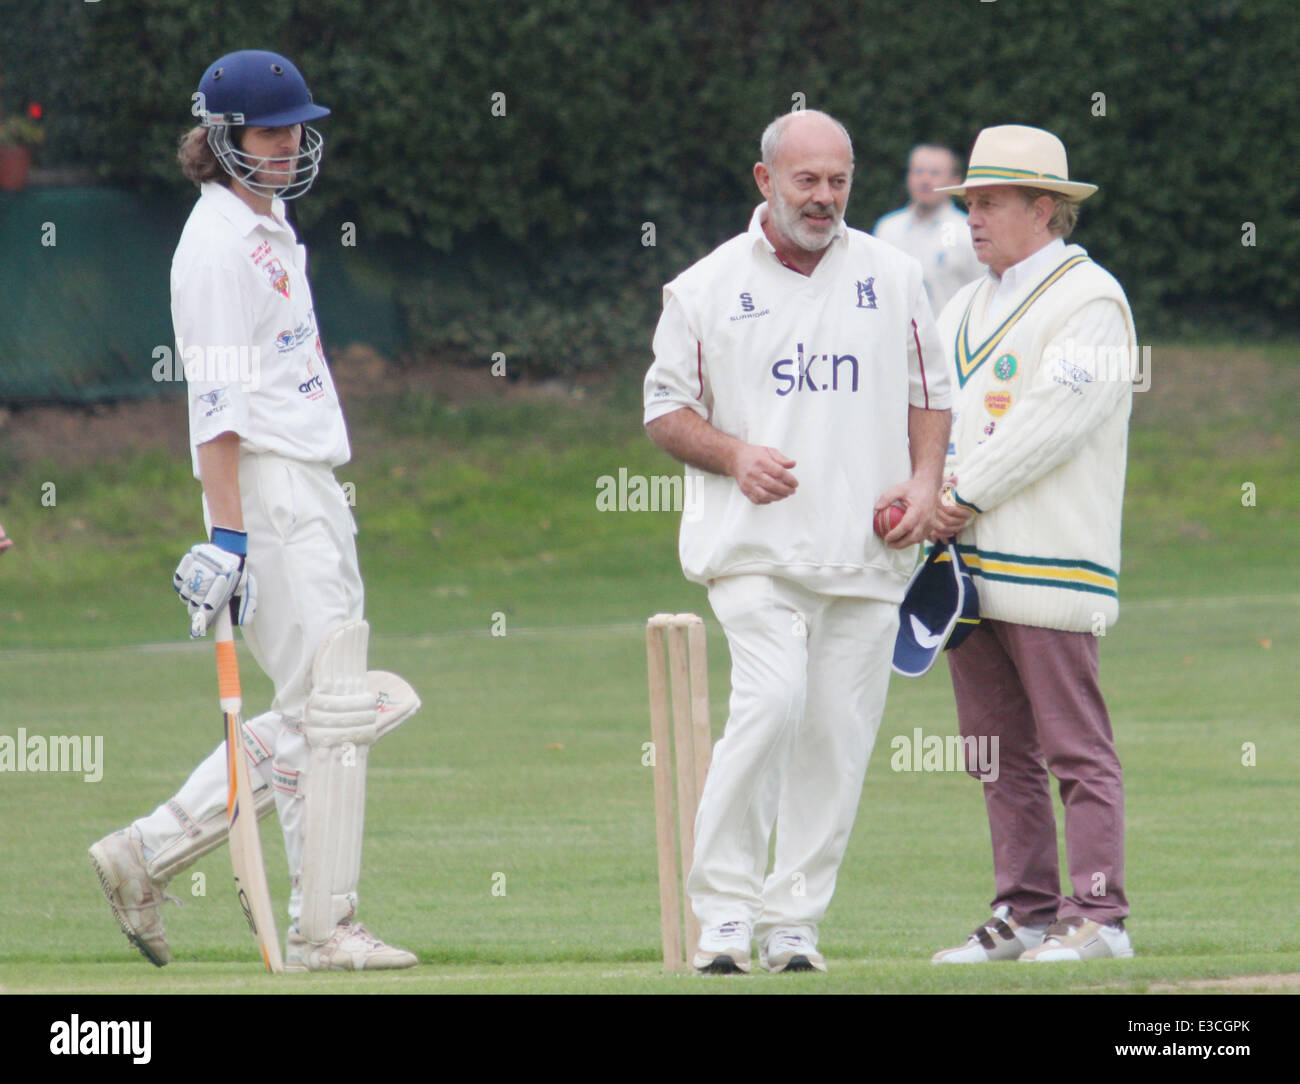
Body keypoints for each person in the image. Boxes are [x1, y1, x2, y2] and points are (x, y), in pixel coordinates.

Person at [89, 50, 419, 972]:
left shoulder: (267, 224)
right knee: (329, 708)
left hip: (308, 481)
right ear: (223, 138)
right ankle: (322, 927)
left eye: (296, 129)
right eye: (271, 132)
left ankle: (148, 854)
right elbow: (217, 407)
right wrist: (228, 534)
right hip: (268, 487)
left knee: (328, 707)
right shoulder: (217, 248)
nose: (290, 145)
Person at [643, 109, 952, 974]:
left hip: (868, 551)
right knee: (772, 703)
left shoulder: (894, 276)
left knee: (837, 738)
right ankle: (726, 913)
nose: (823, 199)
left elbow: (932, 395)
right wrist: (734, 454)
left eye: (839, 181)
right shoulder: (703, 288)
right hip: (753, 548)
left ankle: (794, 923)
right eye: (806, 180)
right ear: (764, 180)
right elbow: (664, 411)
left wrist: (926, 483)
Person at [927, 125, 1137, 963]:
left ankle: (1102, 919)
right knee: (995, 754)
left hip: (1052, 564)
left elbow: (1053, 423)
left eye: (991, 203)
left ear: (1045, 209)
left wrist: (957, 494)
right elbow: (928, 414)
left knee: (1074, 749)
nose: (973, 218)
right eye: (969, 203)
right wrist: (920, 495)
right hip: (962, 571)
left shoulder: (1092, 302)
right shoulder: (962, 306)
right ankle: (1027, 913)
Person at [873, 144, 983, 315]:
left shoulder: (967, 231)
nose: (925, 180)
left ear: (954, 181)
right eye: (918, 172)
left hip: (947, 336)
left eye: (935, 173)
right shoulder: (887, 229)